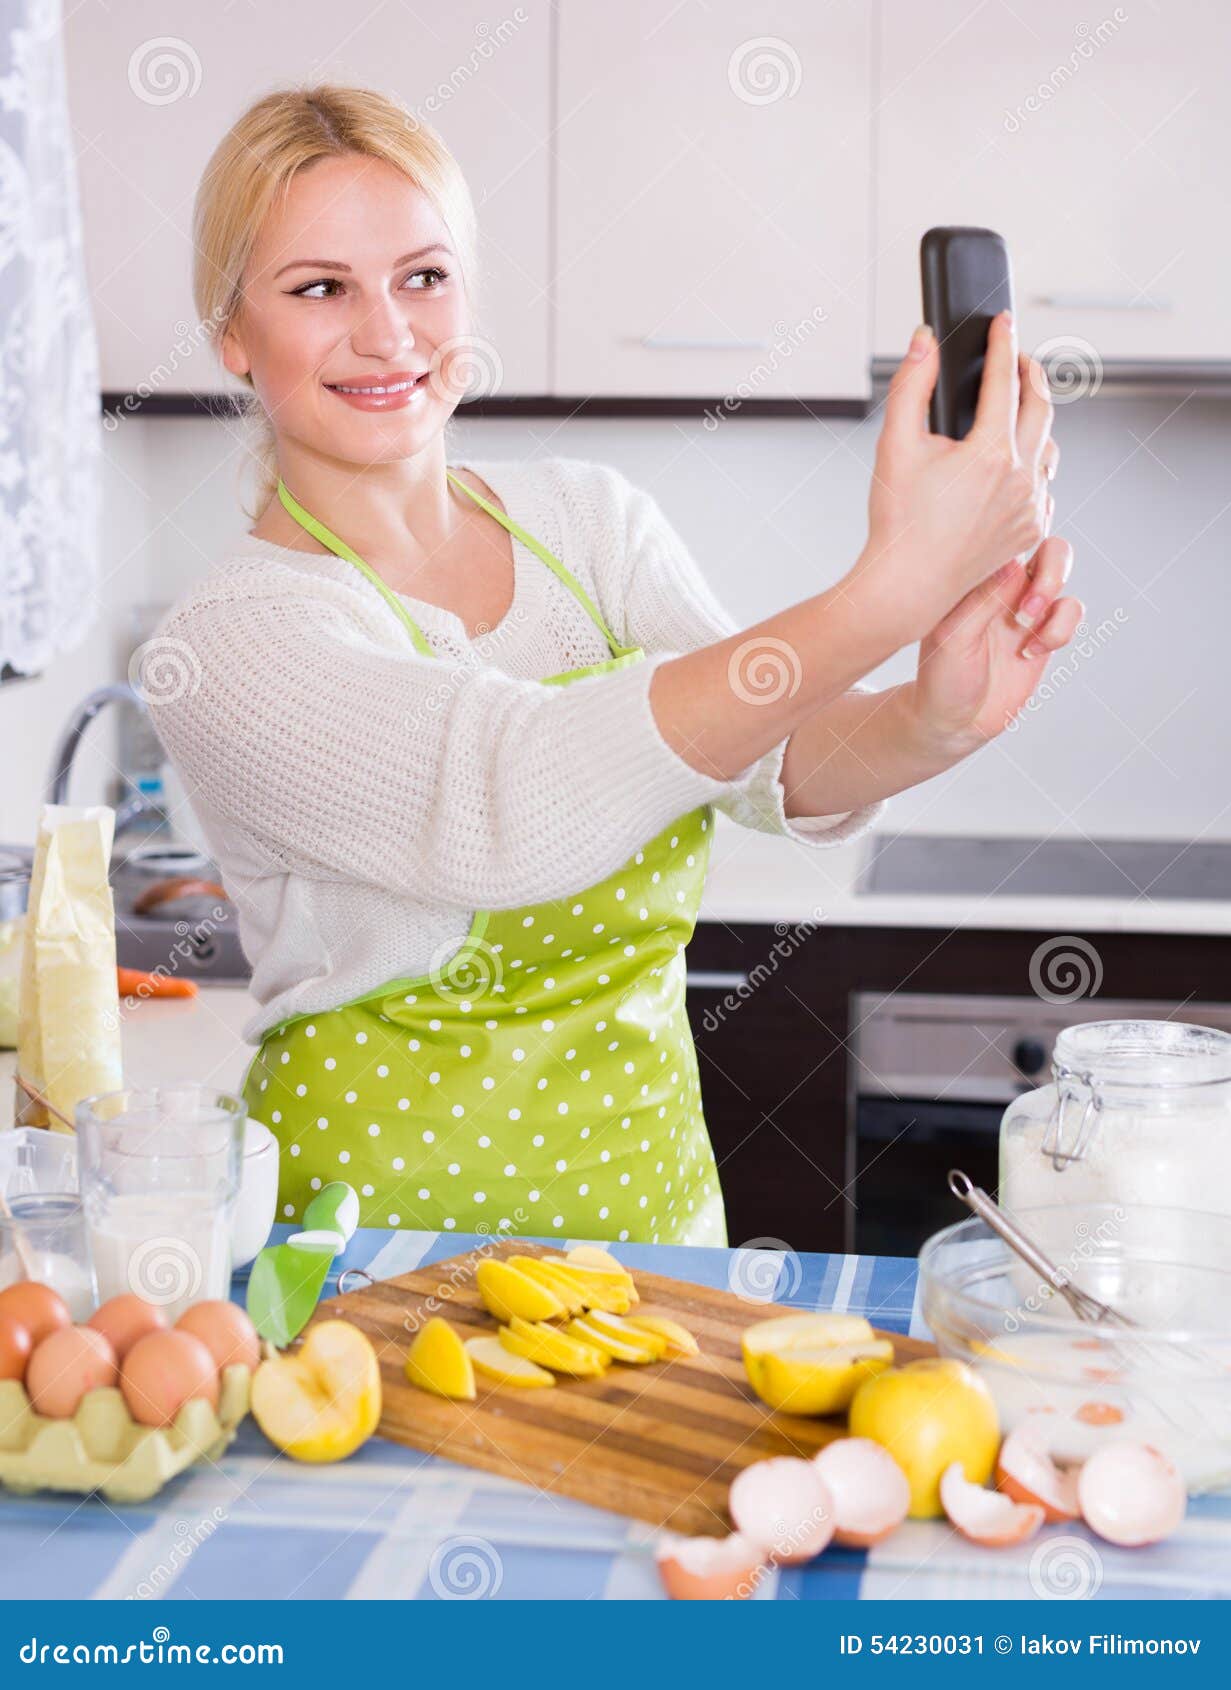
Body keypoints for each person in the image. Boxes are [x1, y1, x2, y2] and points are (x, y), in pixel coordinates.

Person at [148, 86, 1079, 1247]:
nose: (387, 332)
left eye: (423, 277)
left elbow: (766, 748)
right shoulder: (226, 637)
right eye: (319, 287)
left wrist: (929, 717)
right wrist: (884, 593)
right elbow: (507, 800)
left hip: (652, 1231)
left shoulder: (589, 522)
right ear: (233, 329)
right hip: (373, 1268)